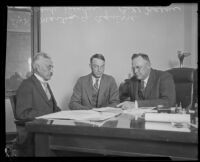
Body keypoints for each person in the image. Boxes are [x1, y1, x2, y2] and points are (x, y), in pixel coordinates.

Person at [15, 52, 61, 156]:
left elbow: (54, 108)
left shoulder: (44, 84)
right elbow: (22, 114)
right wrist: (49, 114)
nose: (52, 71)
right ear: (37, 67)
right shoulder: (27, 85)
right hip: (35, 135)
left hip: (47, 131)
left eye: (52, 67)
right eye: (49, 67)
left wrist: (66, 115)